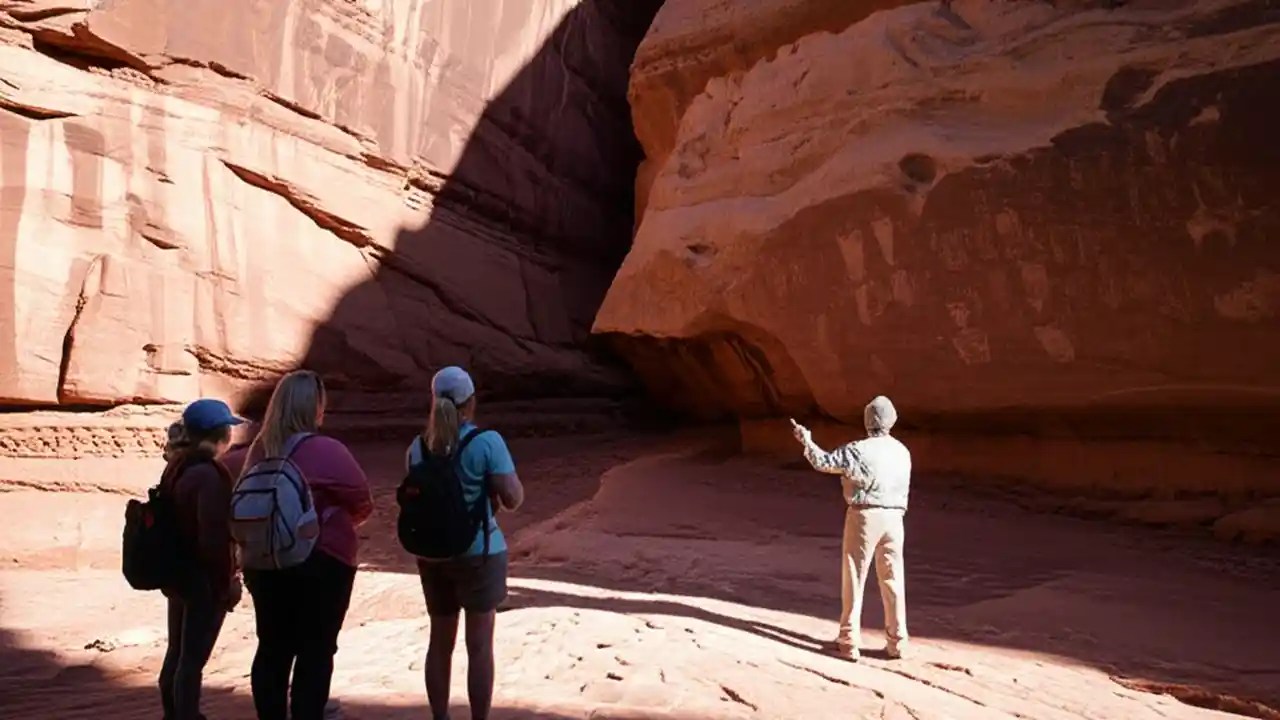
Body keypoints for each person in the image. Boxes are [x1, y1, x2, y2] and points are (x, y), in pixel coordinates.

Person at [232, 370, 374, 720]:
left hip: (264, 561)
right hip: (321, 559)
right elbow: (362, 501)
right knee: (316, 650)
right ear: (314, 409)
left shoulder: (259, 449)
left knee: (272, 648)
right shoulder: (326, 450)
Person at [410, 366, 524, 720]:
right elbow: (513, 498)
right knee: (479, 648)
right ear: (470, 403)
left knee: (439, 644)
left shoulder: (418, 447)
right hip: (479, 553)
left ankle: (440, 717)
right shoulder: (487, 443)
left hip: (432, 554)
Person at [791, 395, 912, 662]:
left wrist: (806, 440)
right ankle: (898, 641)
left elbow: (823, 462)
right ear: (892, 420)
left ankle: (849, 639)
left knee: (855, 576)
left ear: (868, 420)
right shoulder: (903, 451)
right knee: (893, 579)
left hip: (865, 515)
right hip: (895, 519)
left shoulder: (859, 450)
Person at [158, 398, 244, 720]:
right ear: (219, 434)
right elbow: (213, 538)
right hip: (201, 581)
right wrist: (226, 584)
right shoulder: (209, 476)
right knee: (192, 661)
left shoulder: (177, 466)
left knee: (177, 654)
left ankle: (173, 714)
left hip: (178, 574)